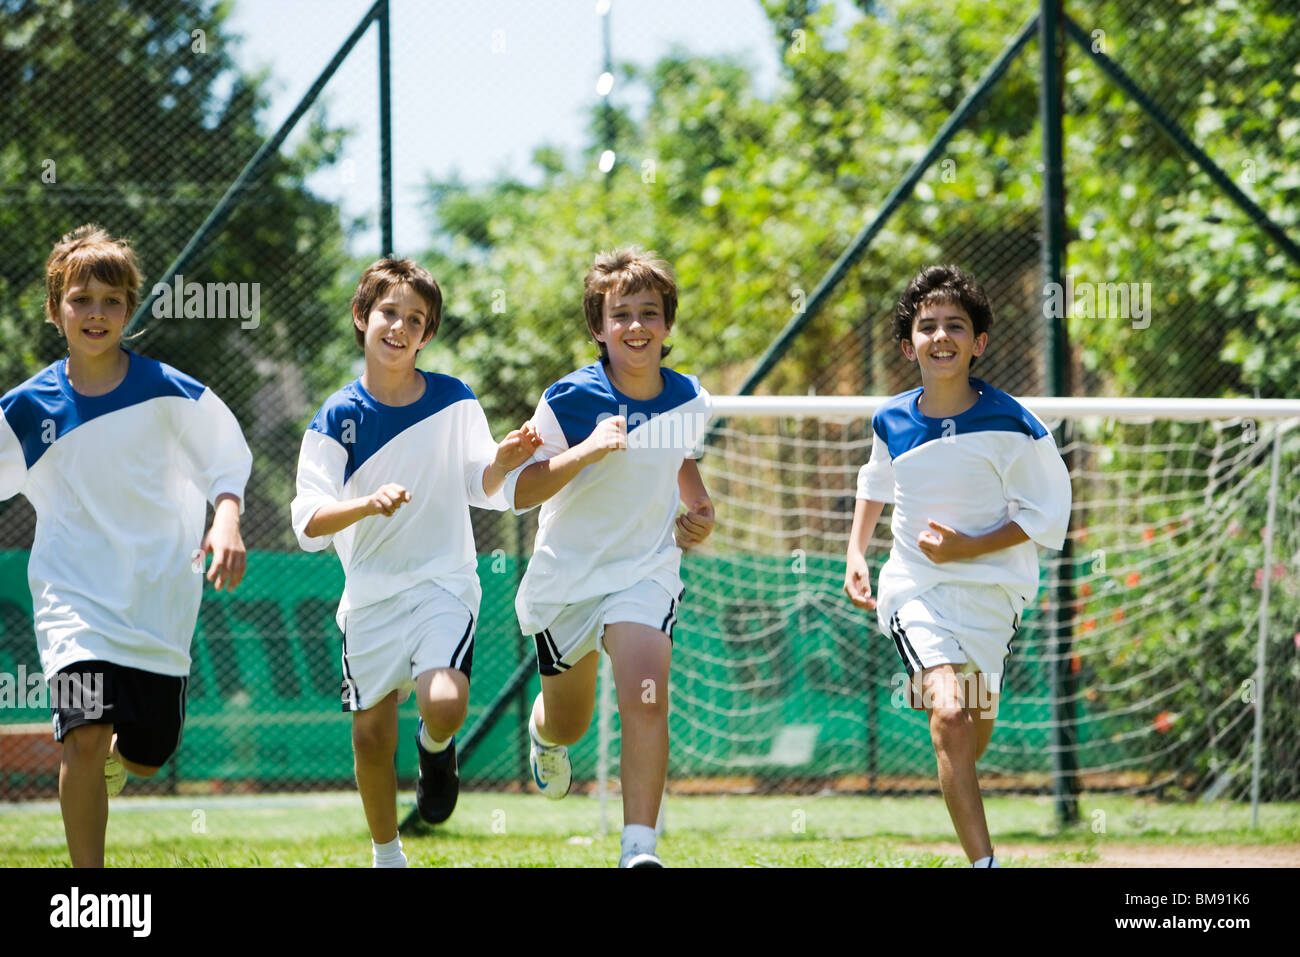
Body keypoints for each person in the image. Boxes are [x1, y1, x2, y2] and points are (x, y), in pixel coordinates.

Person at [0, 224, 252, 867]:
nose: (96, 313)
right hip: (73, 601)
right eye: (81, 298)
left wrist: (226, 521)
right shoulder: (27, 411)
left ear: (129, 310)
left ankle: (119, 759)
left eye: (111, 301)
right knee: (83, 736)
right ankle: (90, 892)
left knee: (146, 754)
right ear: (57, 309)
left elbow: (226, 462)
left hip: (159, 602)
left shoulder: (171, 391)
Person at [291, 257, 540, 868]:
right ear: (362, 317)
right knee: (372, 737)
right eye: (389, 313)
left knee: (445, 701)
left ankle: (436, 749)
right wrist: (364, 505)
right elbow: (307, 523)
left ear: (427, 335)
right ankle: (387, 854)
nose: (400, 327)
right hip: (370, 600)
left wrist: (505, 459)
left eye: (416, 319)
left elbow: (482, 485)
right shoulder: (335, 418)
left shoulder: (455, 401)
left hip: (443, 585)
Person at [843, 264, 1071, 868]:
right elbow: (876, 479)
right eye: (927, 326)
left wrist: (970, 547)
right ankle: (985, 862)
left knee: (970, 726)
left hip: (994, 596)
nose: (940, 337)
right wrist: (855, 552)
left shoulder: (1016, 424)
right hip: (915, 587)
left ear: (978, 343)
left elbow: (1049, 514)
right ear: (907, 344)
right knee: (947, 713)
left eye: (954, 326)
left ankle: (960, 776)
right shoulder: (890, 419)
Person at [504, 246, 714, 868]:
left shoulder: (689, 400)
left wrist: (698, 509)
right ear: (599, 327)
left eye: (650, 312)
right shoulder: (568, 399)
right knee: (569, 723)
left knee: (646, 697)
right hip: (567, 578)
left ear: (668, 324)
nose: (636, 326)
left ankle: (638, 849)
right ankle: (547, 738)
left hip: (644, 571)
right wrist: (587, 450)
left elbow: (681, 461)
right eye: (620, 314)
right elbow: (518, 491)